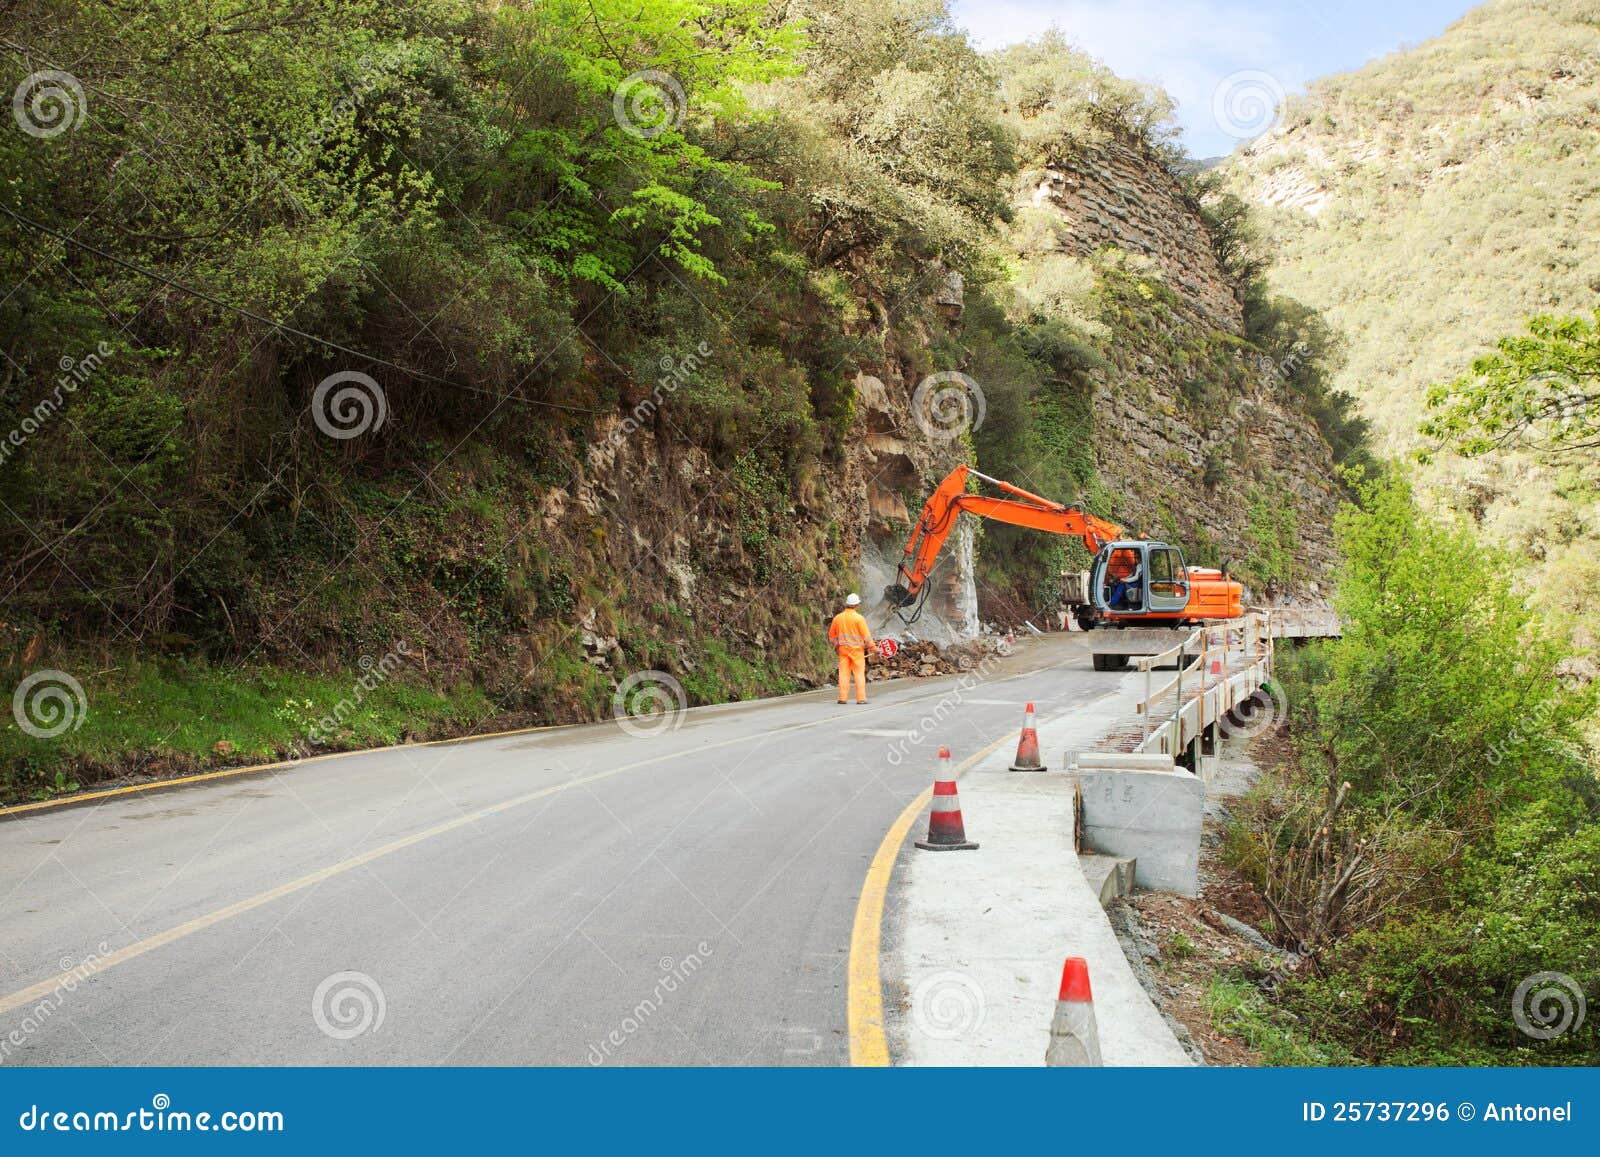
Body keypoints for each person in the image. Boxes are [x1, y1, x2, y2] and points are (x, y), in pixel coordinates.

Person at [827, 593, 875, 705]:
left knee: (843, 674)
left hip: (843, 651)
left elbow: (831, 637)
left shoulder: (838, 618)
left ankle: (842, 698)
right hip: (857, 651)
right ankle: (861, 698)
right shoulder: (859, 619)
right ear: (857, 605)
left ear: (847, 604)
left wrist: (838, 645)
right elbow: (867, 637)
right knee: (859, 674)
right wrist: (874, 648)